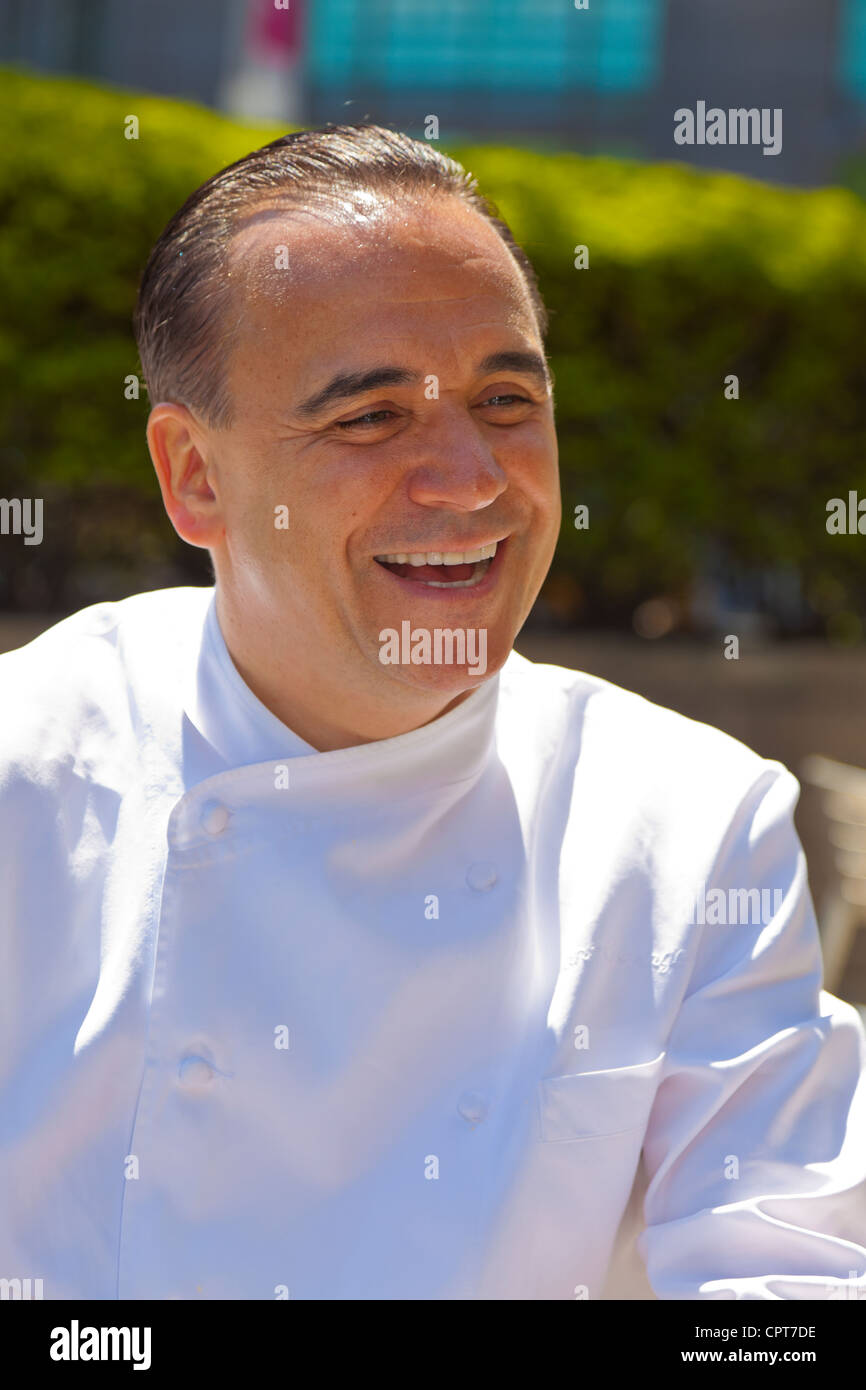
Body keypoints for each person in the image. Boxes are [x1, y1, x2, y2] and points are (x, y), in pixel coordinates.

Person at [0, 125, 863, 1301]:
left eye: (504, 398)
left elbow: (785, 1285)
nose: (468, 478)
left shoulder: (689, 822)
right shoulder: (26, 768)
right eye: (369, 418)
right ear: (195, 476)